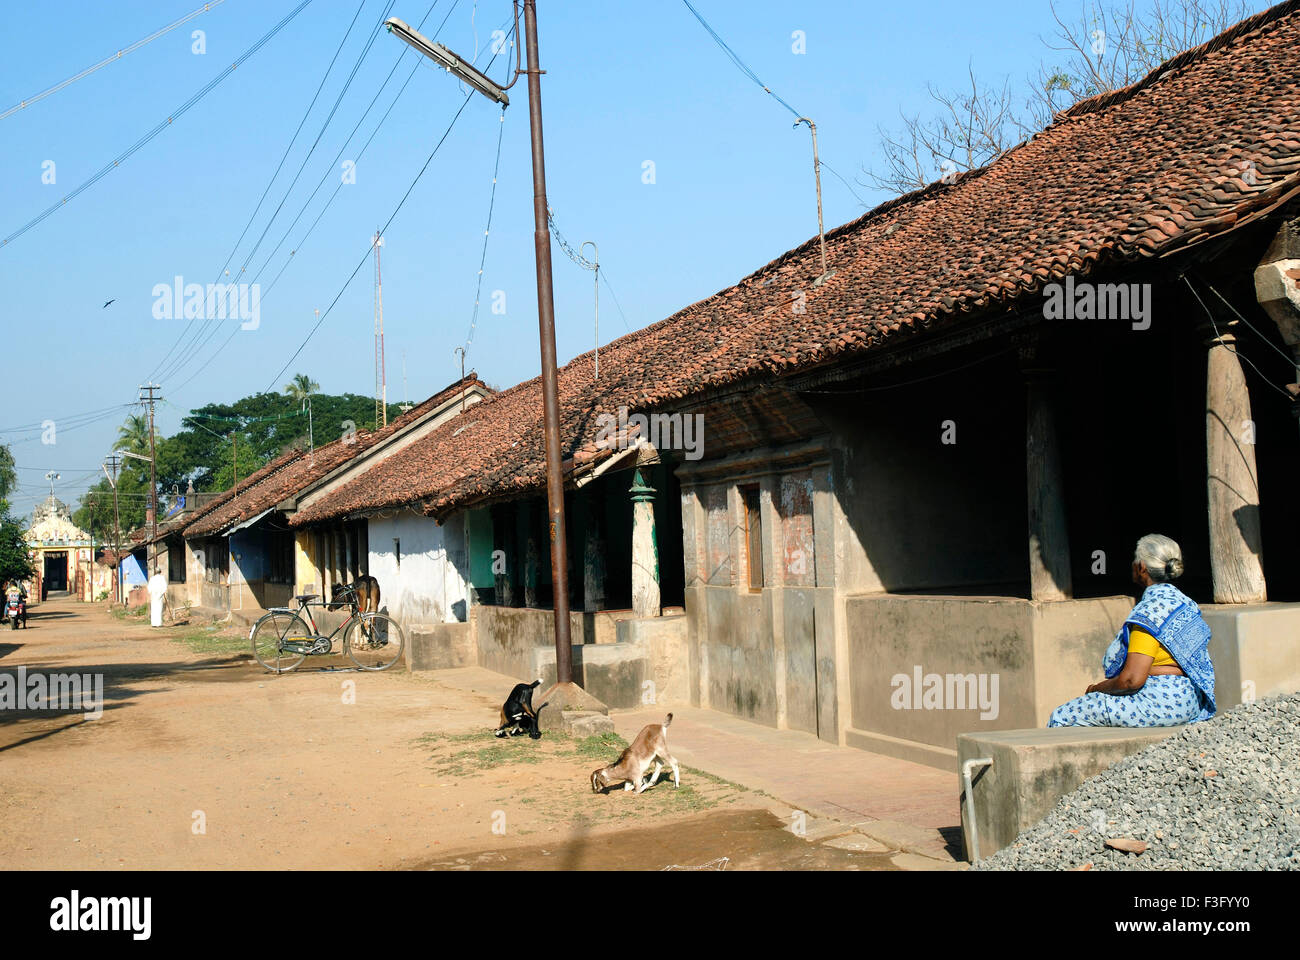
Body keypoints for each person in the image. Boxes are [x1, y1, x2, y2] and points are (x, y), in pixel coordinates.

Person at [1048, 534, 1215, 727]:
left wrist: (1095, 688)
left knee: (1062, 716)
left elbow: (1131, 680)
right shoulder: (1186, 605)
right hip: (1190, 701)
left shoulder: (1151, 612)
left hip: (1160, 703)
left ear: (1142, 567)